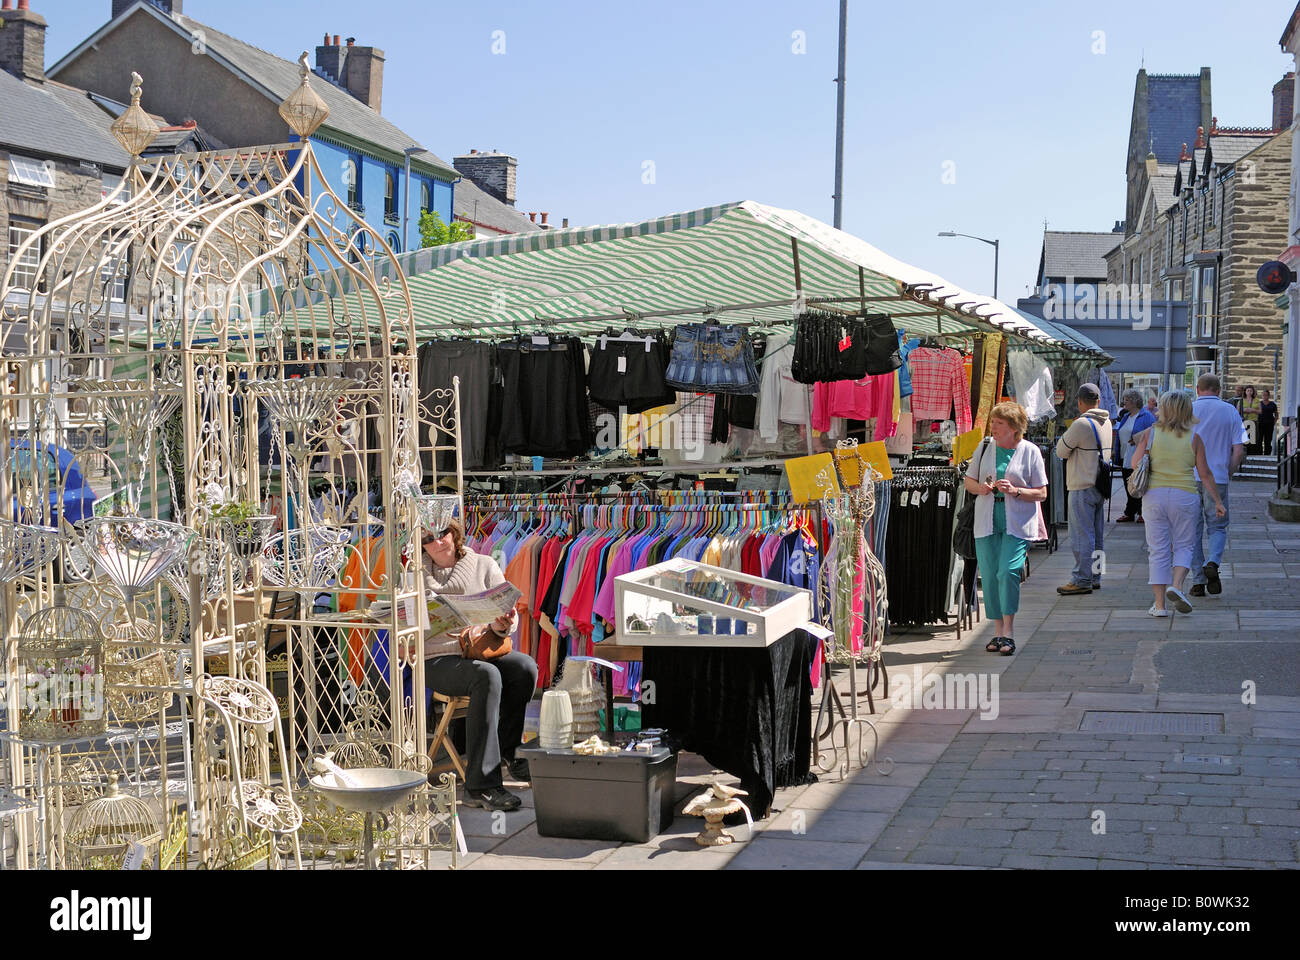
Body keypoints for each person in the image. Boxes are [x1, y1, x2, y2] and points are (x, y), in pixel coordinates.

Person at [419, 519, 537, 811]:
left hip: (481, 646)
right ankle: (481, 785)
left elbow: (507, 615)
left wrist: (504, 622)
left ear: (454, 533)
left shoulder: (484, 564)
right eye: (428, 538)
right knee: (486, 676)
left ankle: (509, 751)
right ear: (420, 544)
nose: (437, 542)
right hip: (437, 656)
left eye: (442, 533)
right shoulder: (411, 576)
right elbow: (404, 627)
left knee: (524, 668)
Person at [963, 402, 1048, 656]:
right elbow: (969, 481)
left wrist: (1016, 491)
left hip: (1017, 522)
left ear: (1014, 428)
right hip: (986, 520)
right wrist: (982, 488)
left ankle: (1008, 632)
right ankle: (997, 631)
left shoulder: (1030, 451)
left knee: (1007, 572)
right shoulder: (985, 446)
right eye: (993, 423)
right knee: (989, 575)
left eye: (999, 423)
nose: (994, 428)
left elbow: (1042, 493)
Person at [1131, 390, 1224, 616]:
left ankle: (1160, 606)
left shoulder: (1150, 434)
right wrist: (1218, 502)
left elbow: (1135, 463)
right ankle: (1178, 586)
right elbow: (1205, 475)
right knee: (1184, 545)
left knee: (1158, 550)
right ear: (1186, 410)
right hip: (1185, 496)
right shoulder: (1194, 438)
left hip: (1154, 496)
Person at [1188, 374, 1245, 598]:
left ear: (1197, 388)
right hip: (1217, 477)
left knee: (1192, 531)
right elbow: (1238, 450)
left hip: (1189, 476)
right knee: (1218, 526)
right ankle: (1213, 561)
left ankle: (1198, 582)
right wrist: (1227, 472)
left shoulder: (1188, 410)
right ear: (1219, 390)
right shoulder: (1230, 411)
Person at [1054, 383, 1113, 595]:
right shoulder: (1107, 423)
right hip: (1099, 485)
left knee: (1081, 535)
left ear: (1079, 401)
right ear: (1099, 401)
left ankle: (1081, 579)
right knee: (1097, 535)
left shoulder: (1081, 424)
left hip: (1082, 484)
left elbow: (1061, 450)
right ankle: (1096, 575)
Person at [1114, 389, 1155, 524]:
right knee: (1128, 485)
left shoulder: (1146, 416)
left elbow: (1152, 433)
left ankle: (1142, 511)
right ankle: (1130, 512)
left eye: (1127, 400)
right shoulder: (1126, 416)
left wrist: (1137, 439)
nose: (1124, 402)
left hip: (1138, 456)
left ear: (1134, 401)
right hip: (1125, 455)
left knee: (1140, 484)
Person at [1241, 385, 1261, 455]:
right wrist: (1244, 410)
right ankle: (1244, 454)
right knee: (1245, 439)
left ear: (1253, 392)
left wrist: (1252, 410)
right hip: (1244, 421)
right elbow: (1237, 411)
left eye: (1251, 391)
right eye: (1248, 390)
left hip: (1253, 421)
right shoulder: (1241, 400)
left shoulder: (1256, 400)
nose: (1249, 392)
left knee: (1252, 440)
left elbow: (1260, 411)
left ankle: (1252, 455)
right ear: (1245, 392)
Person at [1260, 389, 1279, 456]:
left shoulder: (1272, 404)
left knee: (1268, 440)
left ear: (1268, 396)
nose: (1265, 396)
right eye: (1263, 395)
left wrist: (1274, 422)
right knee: (1259, 439)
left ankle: (1267, 454)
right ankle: (1259, 453)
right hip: (1260, 424)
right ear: (1262, 396)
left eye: (1266, 395)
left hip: (1269, 424)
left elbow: (1276, 414)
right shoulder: (1259, 403)